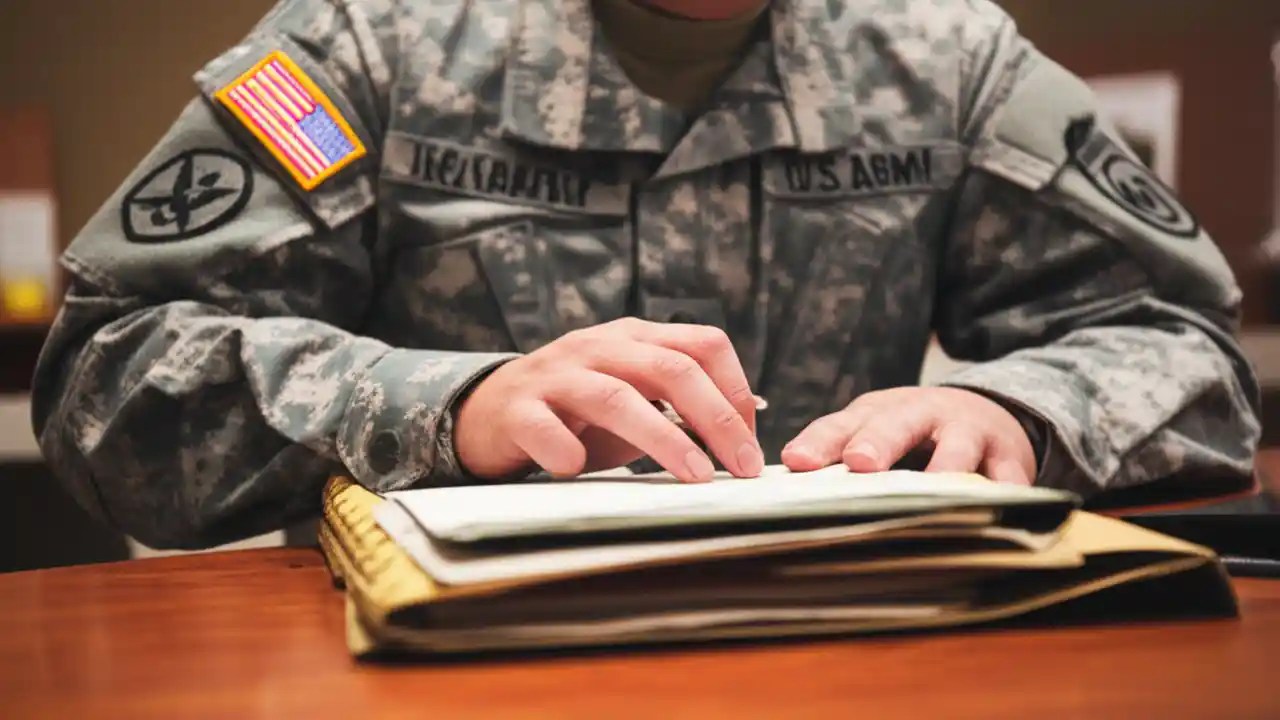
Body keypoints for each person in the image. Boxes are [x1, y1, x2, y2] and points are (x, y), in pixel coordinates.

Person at [32, 0, 1260, 549]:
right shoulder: (367, 45)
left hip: (864, 657)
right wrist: (447, 407)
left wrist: (1013, 412)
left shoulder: (949, 59)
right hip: (445, 671)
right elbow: (111, 370)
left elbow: (1184, 351)